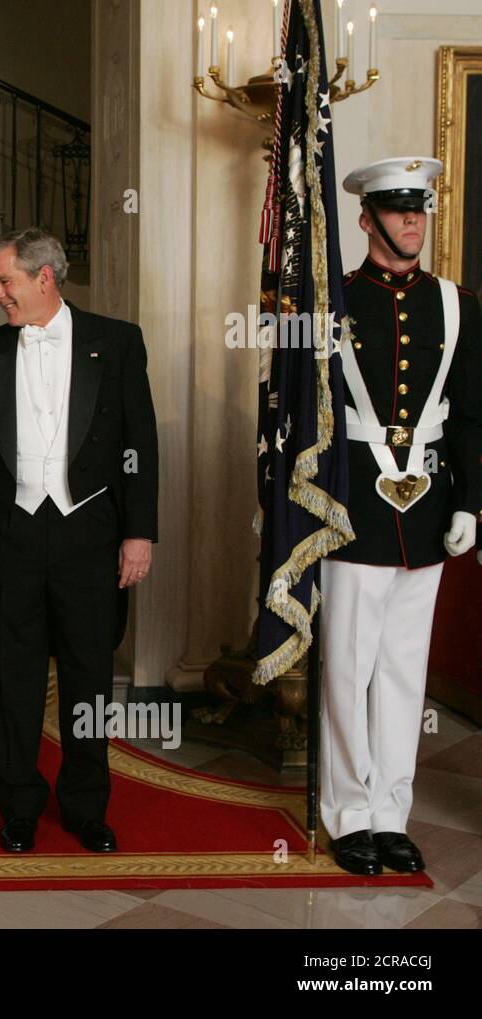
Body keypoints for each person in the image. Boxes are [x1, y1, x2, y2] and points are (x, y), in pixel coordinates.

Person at [0, 228, 159, 855]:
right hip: (12, 531)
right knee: (12, 678)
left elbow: (139, 444)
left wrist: (139, 531)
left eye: (4, 282)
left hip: (89, 532)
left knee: (88, 676)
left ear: (44, 278)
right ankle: (18, 805)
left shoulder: (116, 341)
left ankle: (85, 806)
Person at [321, 158, 481, 876]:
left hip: (430, 511)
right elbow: (303, 419)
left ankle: (392, 813)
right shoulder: (330, 303)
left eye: (419, 208)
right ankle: (349, 814)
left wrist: (472, 501)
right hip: (354, 506)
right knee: (347, 668)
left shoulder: (458, 304)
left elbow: (472, 415)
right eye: (397, 208)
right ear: (367, 219)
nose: (413, 219)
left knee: (403, 675)